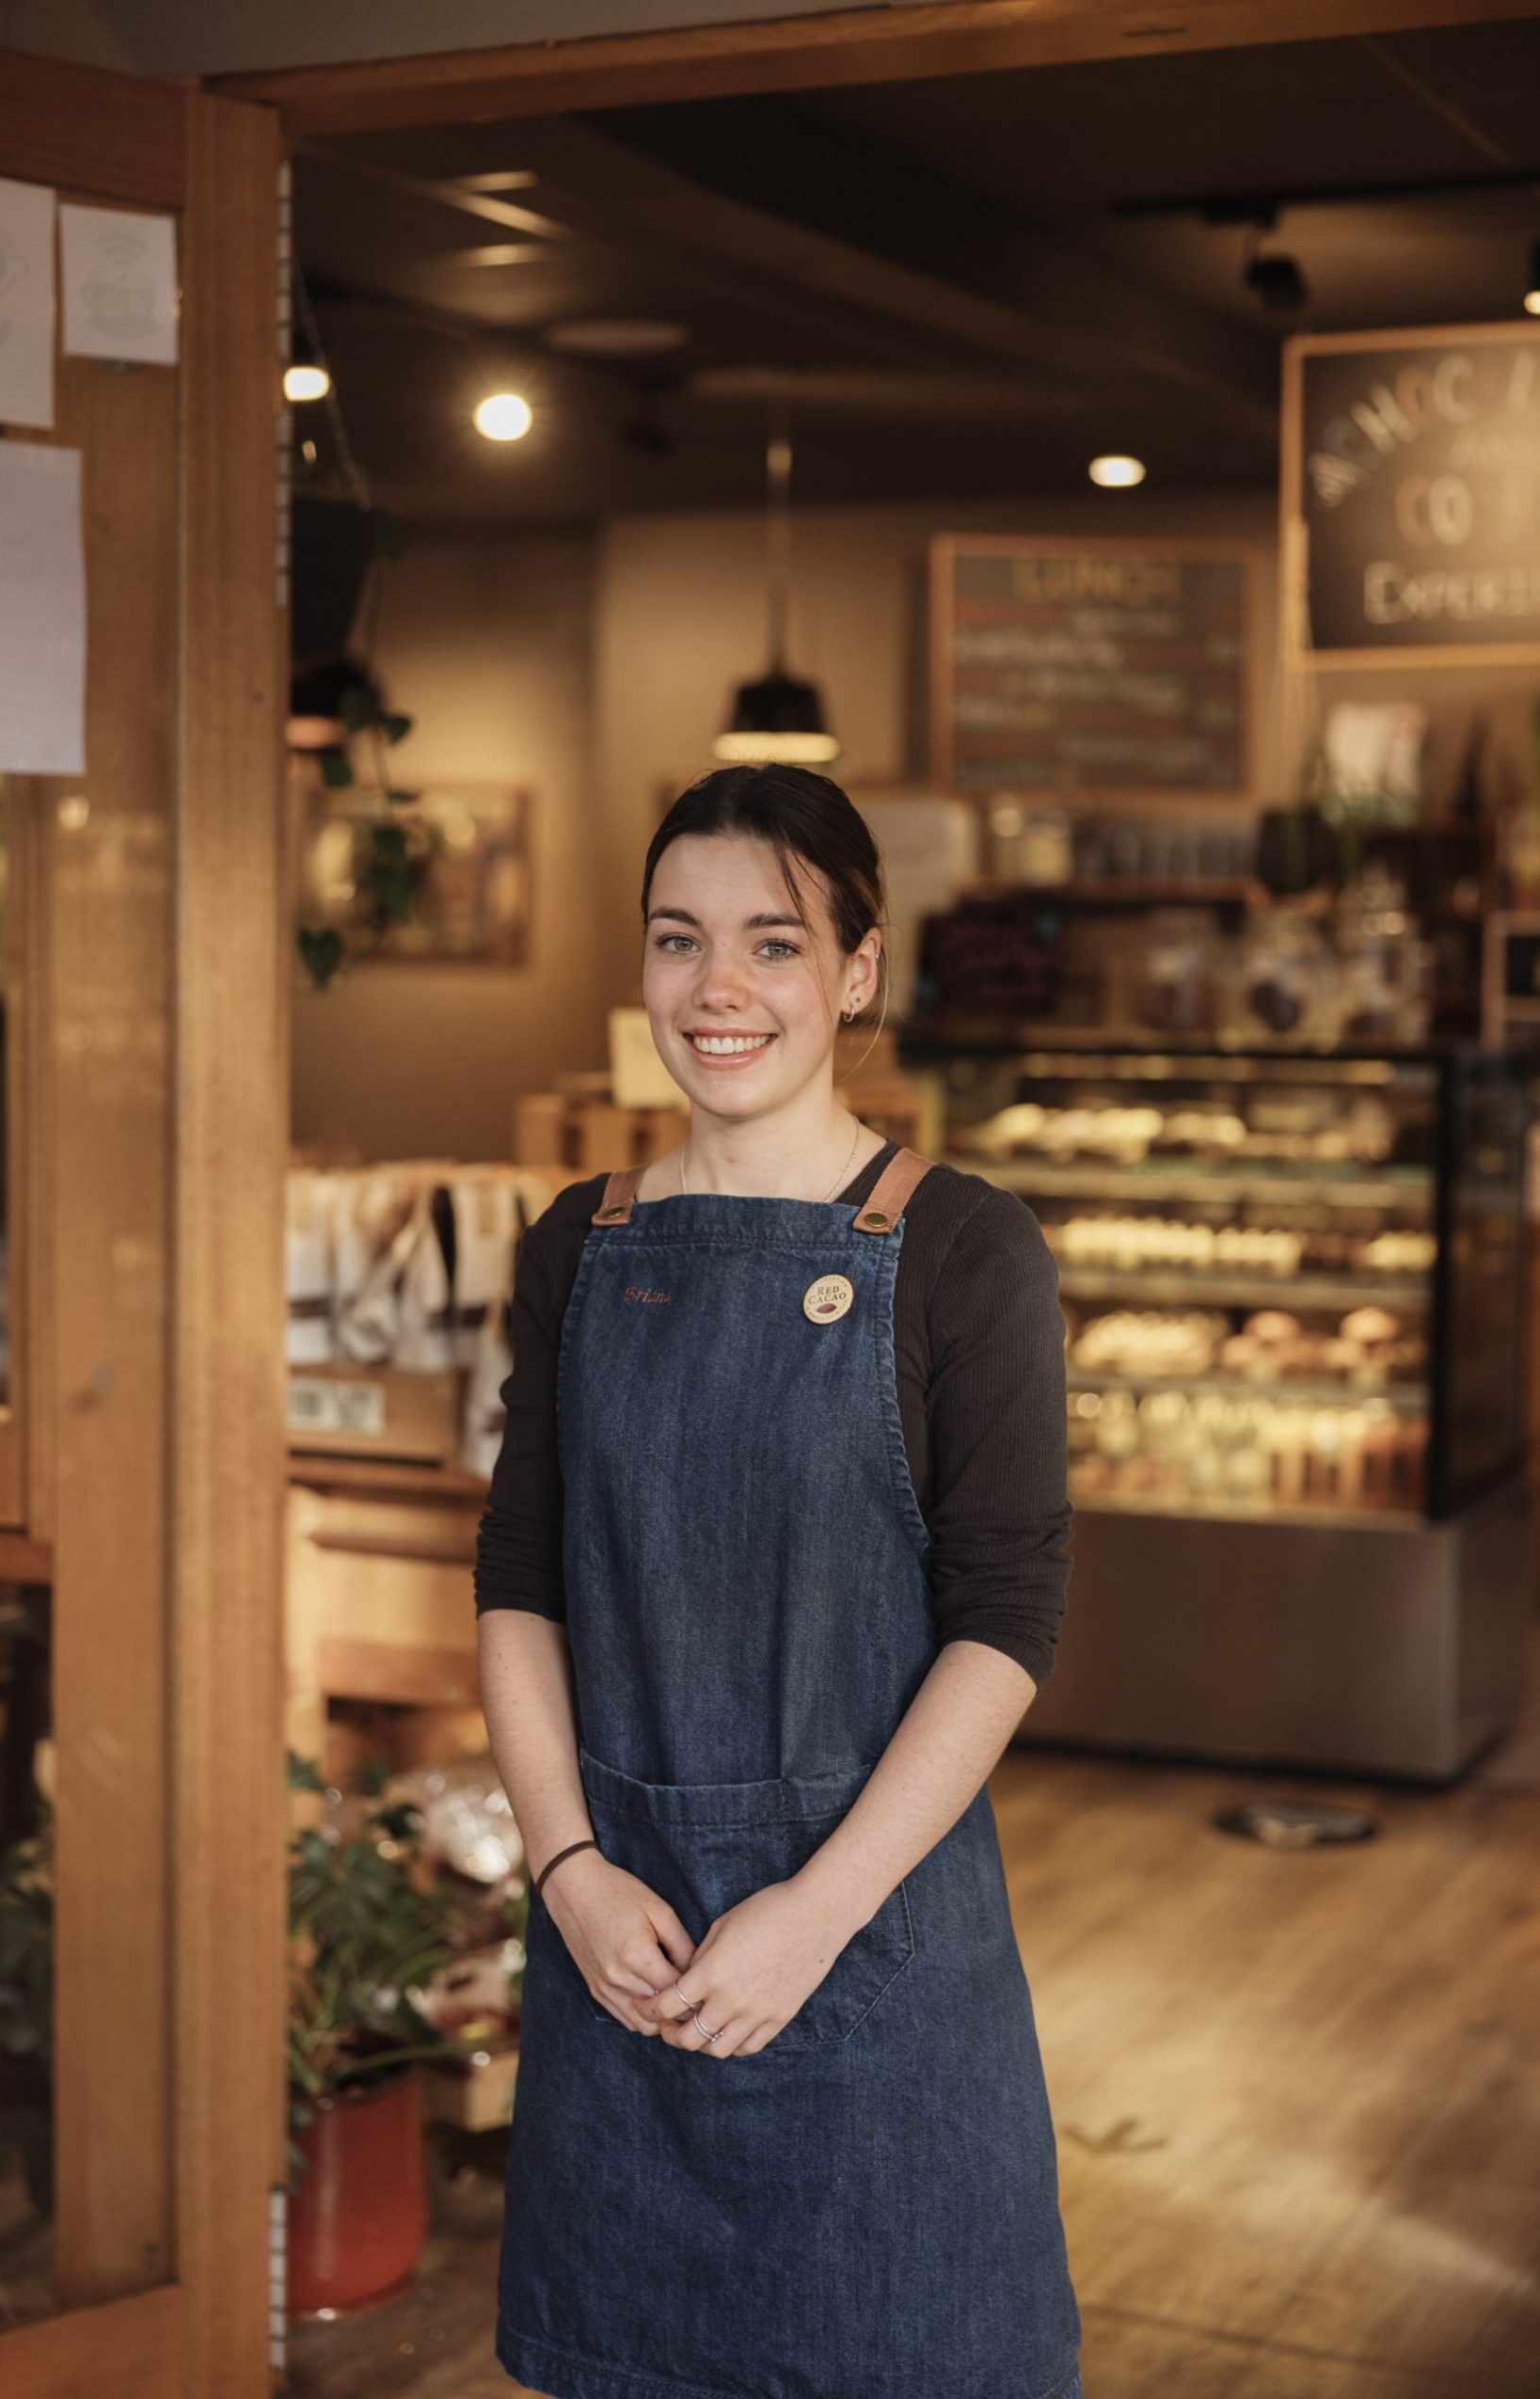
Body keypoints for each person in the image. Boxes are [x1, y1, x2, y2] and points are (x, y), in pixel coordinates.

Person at [475, 762, 1084, 2399]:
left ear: (859, 970)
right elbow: (517, 1581)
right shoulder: (577, 1243)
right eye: (680, 940)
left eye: (773, 943)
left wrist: (816, 1913)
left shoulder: (963, 1249)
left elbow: (1007, 1619)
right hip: (628, 1950)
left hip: (874, 1951)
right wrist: (569, 1871)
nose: (719, 989)